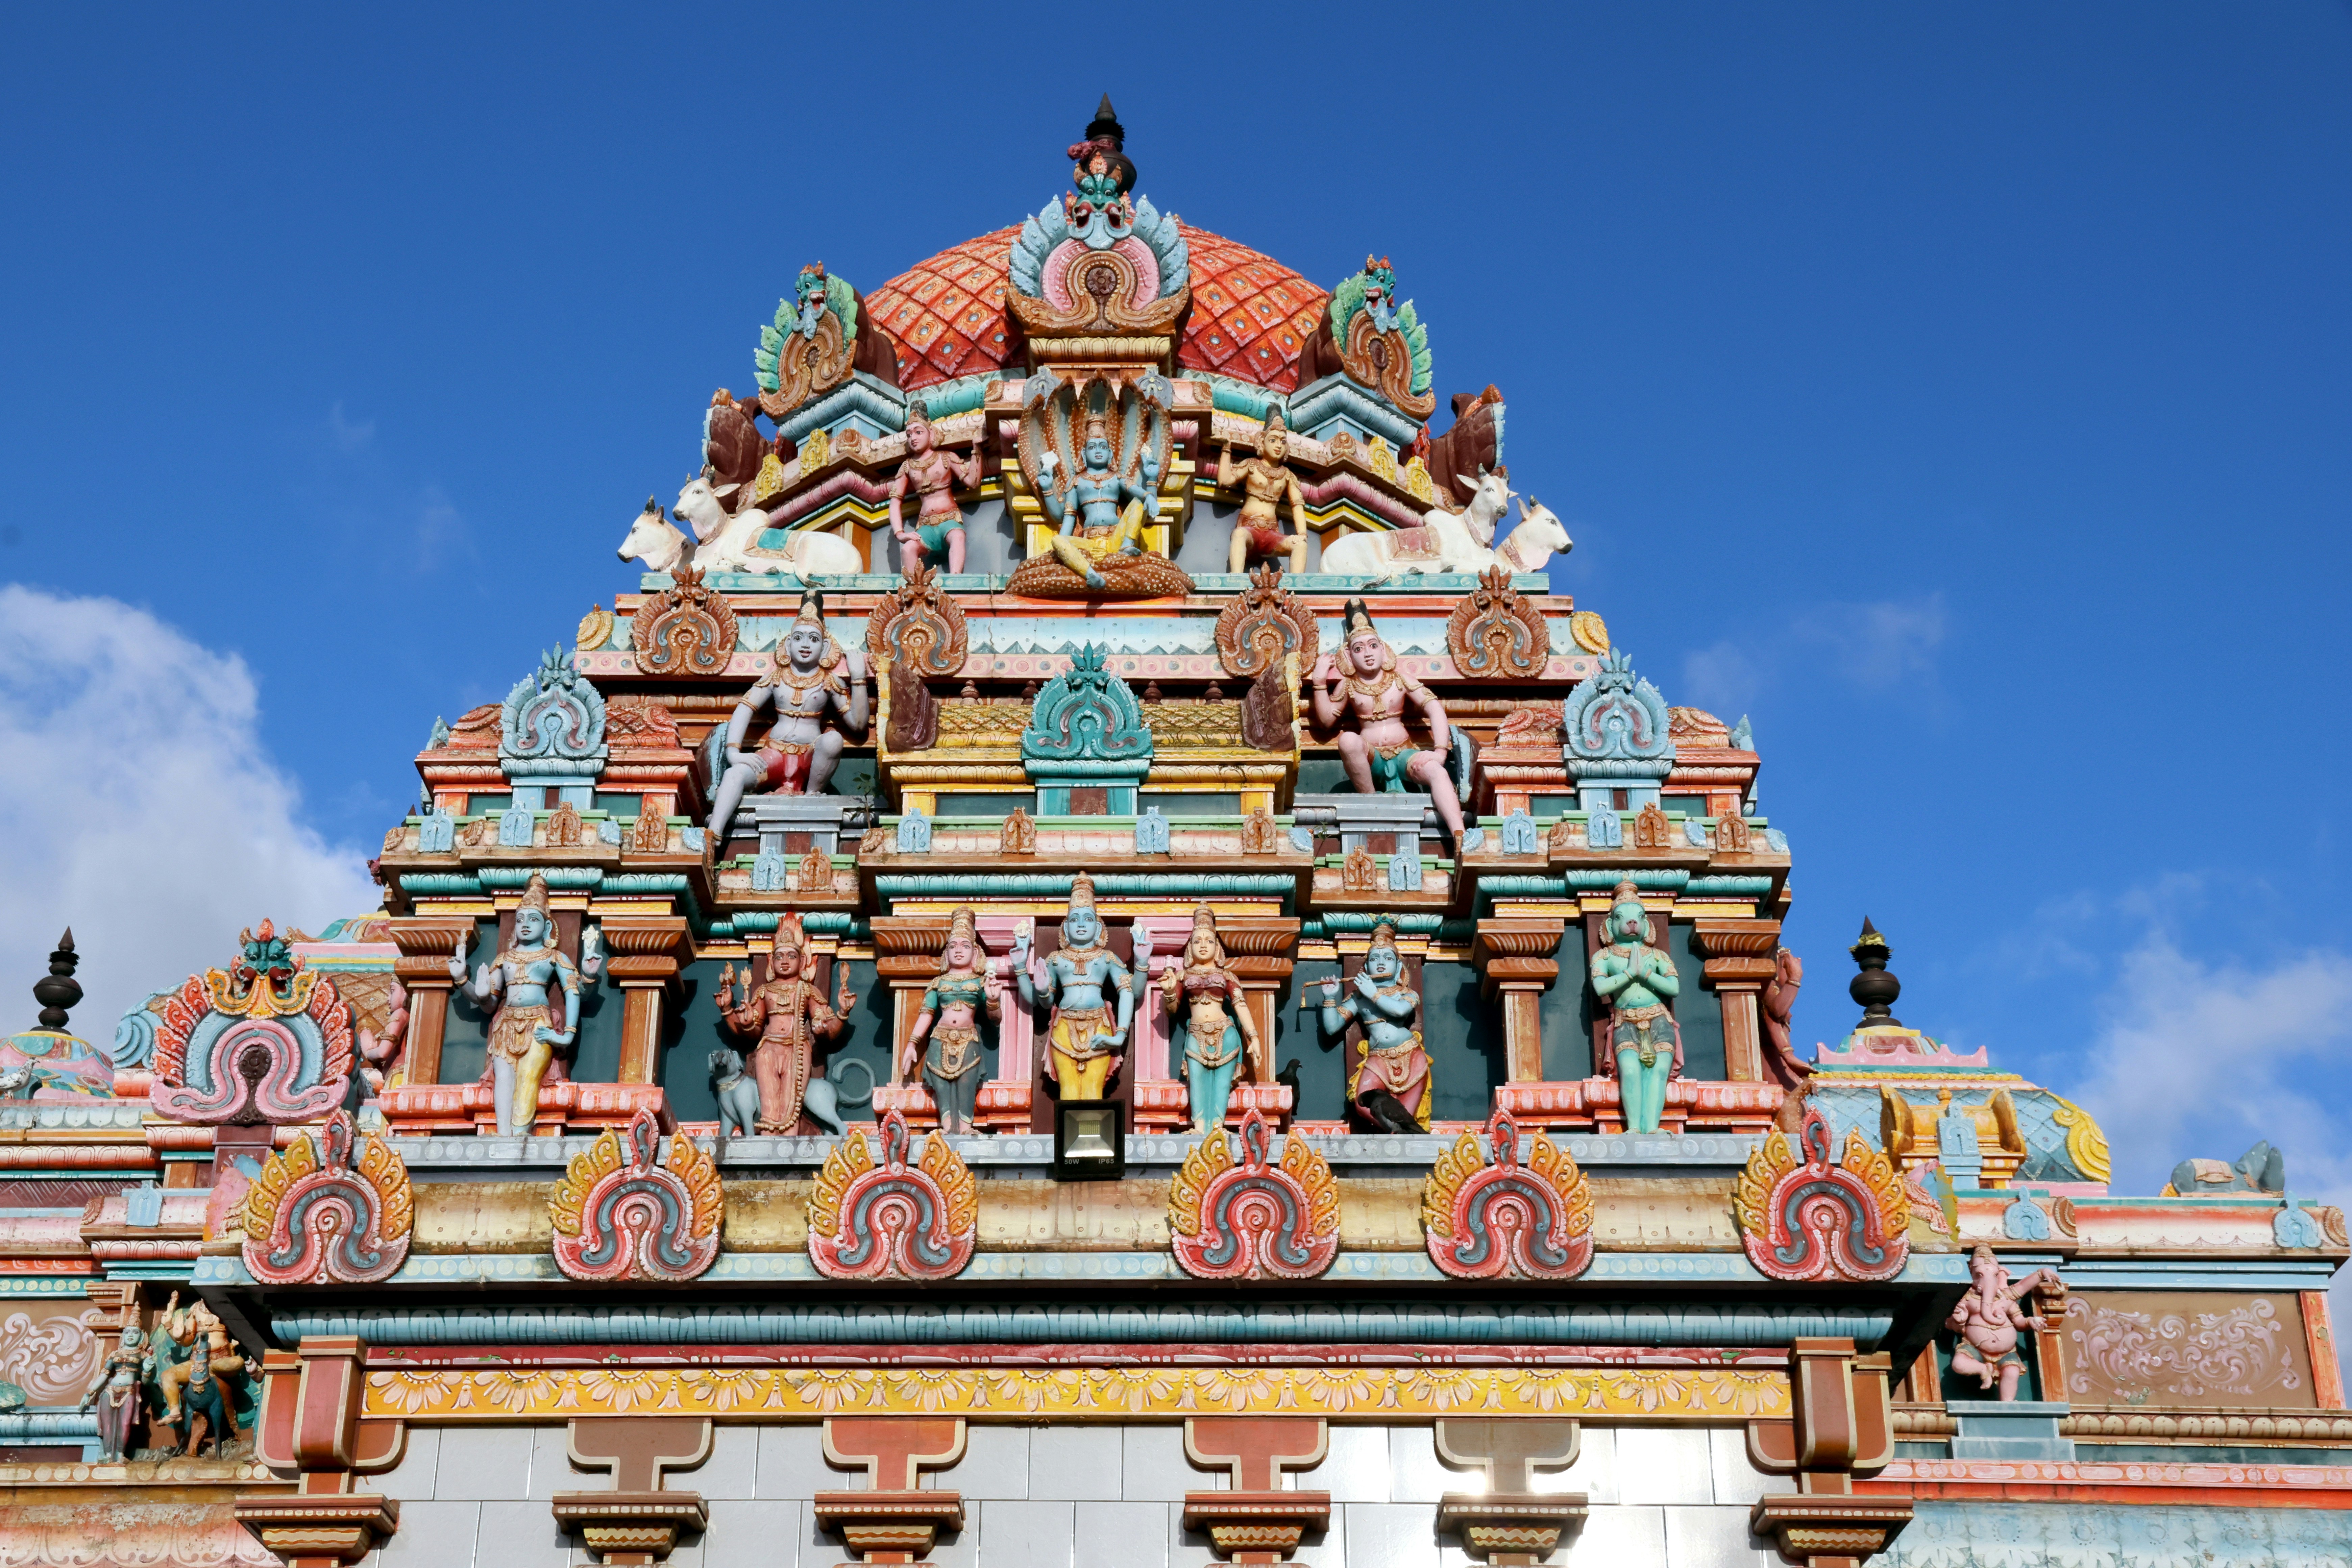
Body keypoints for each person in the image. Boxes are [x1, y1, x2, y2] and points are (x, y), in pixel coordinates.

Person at [902, 907, 1001, 1134]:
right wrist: (912, 1044)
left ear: (975, 953)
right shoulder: (938, 983)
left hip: (968, 1039)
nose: (958, 951)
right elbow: (927, 1013)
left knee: (967, 1083)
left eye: (965, 946)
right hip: (940, 1039)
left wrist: (993, 1000)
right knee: (942, 1086)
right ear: (946, 953)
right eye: (953, 946)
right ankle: (948, 1129)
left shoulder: (981, 983)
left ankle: (966, 1128)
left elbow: (996, 1019)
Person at [887, 401, 983, 574]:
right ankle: (914, 587)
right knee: (908, 549)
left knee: (958, 537)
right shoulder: (908, 467)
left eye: (919, 432)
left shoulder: (946, 458)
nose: (913, 438)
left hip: (949, 520)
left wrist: (977, 450)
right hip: (925, 526)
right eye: (909, 435)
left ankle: (955, 582)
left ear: (931, 433)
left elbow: (973, 482)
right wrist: (900, 533)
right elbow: (895, 501)